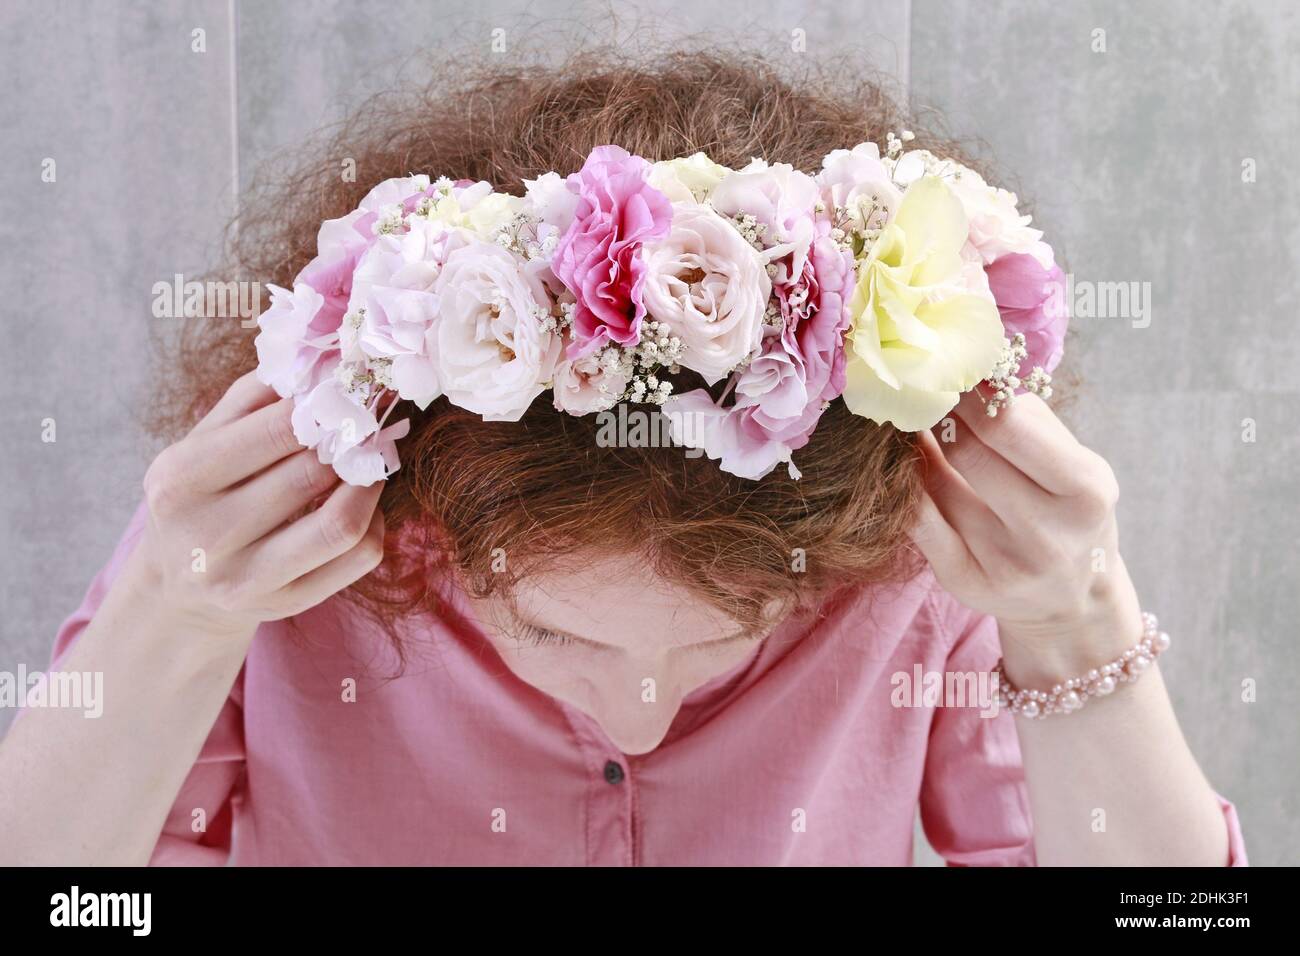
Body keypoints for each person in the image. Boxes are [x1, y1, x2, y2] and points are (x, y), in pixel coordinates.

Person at [0, 51, 1246, 866]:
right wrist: (164, 608)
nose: (640, 713)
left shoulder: (906, 566)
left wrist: (1080, 624)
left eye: (732, 634)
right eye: (555, 635)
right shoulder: (281, 548)